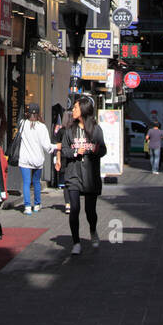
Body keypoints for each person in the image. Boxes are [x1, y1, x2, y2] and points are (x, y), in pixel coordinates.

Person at [60, 94, 107, 253]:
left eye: (75, 108)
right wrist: (75, 152)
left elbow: (103, 149)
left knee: (90, 210)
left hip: (90, 175)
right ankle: (76, 242)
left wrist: (93, 150)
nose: (73, 110)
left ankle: (93, 231)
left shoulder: (95, 129)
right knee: (74, 209)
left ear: (84, 110)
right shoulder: (69, 130)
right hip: (73, 174)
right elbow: (65, 149)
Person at [18, 103, 52, 213]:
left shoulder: (22, 124)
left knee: (26, 182)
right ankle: (37, 204)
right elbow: (47, 146)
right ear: (38, 113)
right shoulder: (42, 127)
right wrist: (56, 147)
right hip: (37, 159)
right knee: (36, 181)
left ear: (27, 113)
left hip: (25, 159)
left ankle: (27, 207)